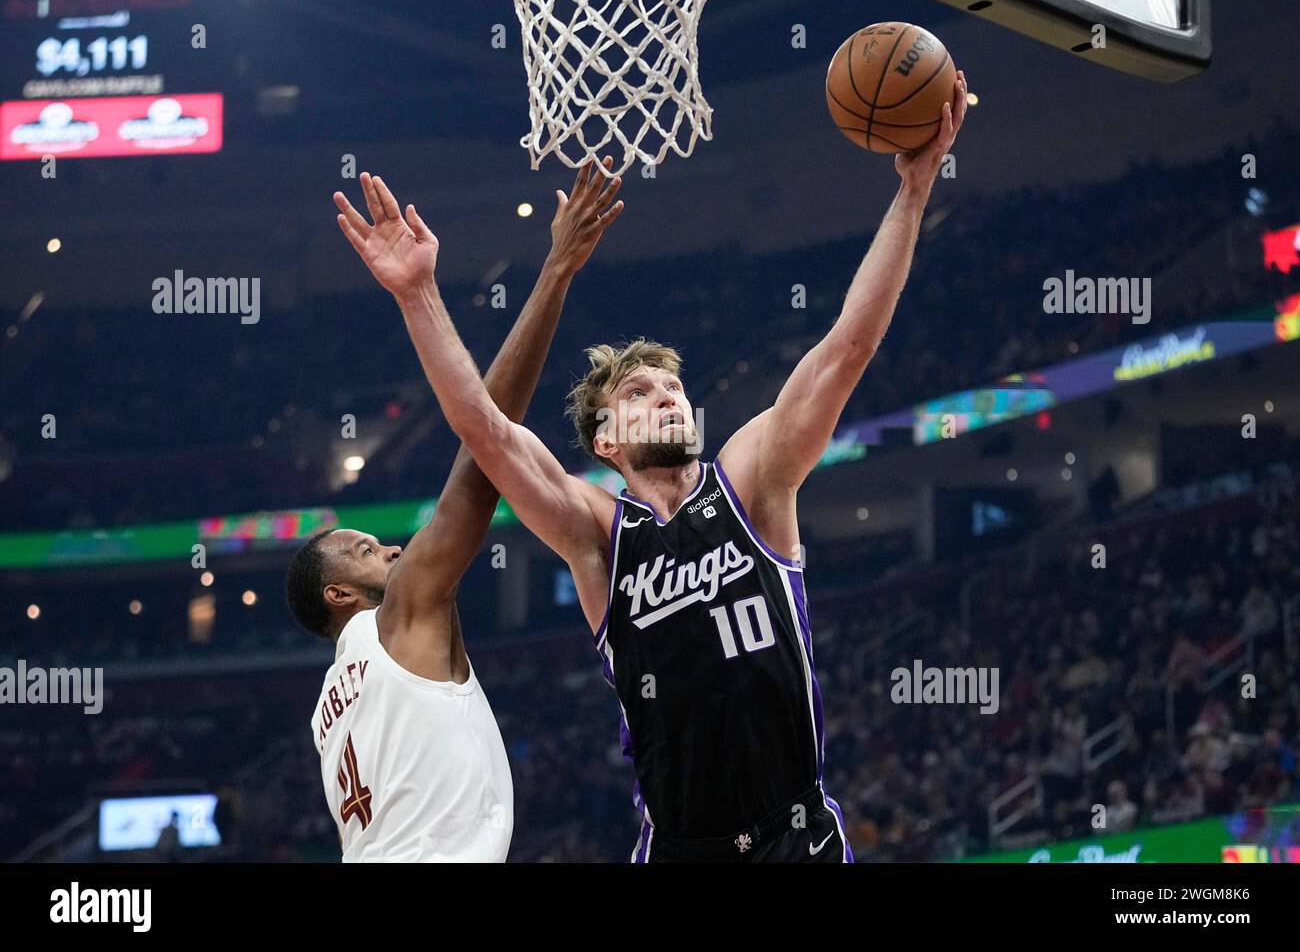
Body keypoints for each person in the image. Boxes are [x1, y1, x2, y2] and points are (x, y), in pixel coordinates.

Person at [331, 71, 966, 862]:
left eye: (674, 386)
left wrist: (912, 191)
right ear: (606, 439)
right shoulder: (598, 535)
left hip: (795, 836)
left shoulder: (752, 484)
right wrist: (419, 295)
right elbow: (485, 434)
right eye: (641, 391)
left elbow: (846, 348)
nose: (668, 396)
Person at [287, 160, 624, 860]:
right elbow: (482, 457)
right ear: (339, 593)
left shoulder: (329, 704)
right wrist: (554, 272)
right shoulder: (397, 616)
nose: (392, 550)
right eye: (365, 551)